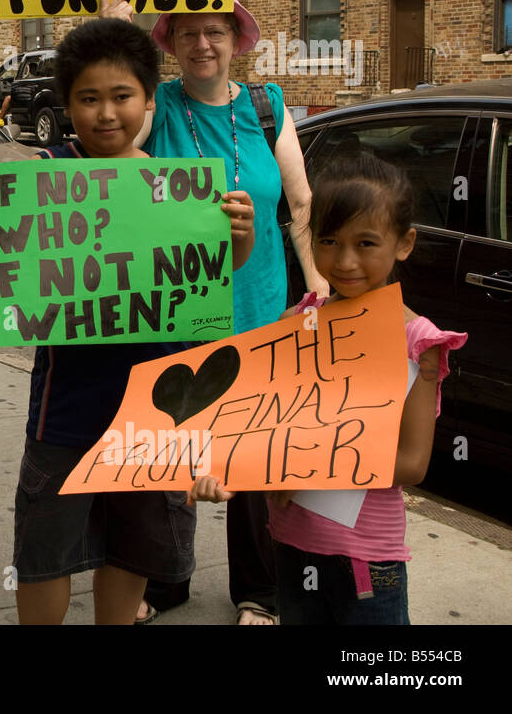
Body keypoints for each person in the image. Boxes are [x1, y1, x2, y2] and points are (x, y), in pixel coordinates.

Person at [0, 18, 257, 624]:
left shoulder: (178, 187)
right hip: (67, 412)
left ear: (150, 101)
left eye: (123, 96)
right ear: (67, 104)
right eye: (89, 98)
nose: (107, 113)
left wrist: (240, 236)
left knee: (130, 551)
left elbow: (212, 275)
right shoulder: (41, 177)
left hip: (157, 411)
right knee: (45, 556)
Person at [101, 0, 325, 625]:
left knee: (251, 457)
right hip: (174, 305)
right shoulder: (159, 105)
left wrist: (315, 281)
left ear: (235, 42)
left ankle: (261, 592)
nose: (203, 42)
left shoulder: (265, 106)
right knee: (174, 446)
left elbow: (300, 200)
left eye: (216, 31)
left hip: (257, 304)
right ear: (169, 43)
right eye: (189, 32)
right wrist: (118, 33)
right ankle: (166, 581)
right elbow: (112, 145)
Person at [189, 151, 466, 623]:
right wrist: (223, 473)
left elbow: (412, 463)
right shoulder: (297, 323)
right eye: (329, 240)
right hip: (291, 550)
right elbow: (259, 430)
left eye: (366, 243)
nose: (345, 260)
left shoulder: (418, 342)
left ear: (405, 243)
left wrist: (299, 470)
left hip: (367, 564)